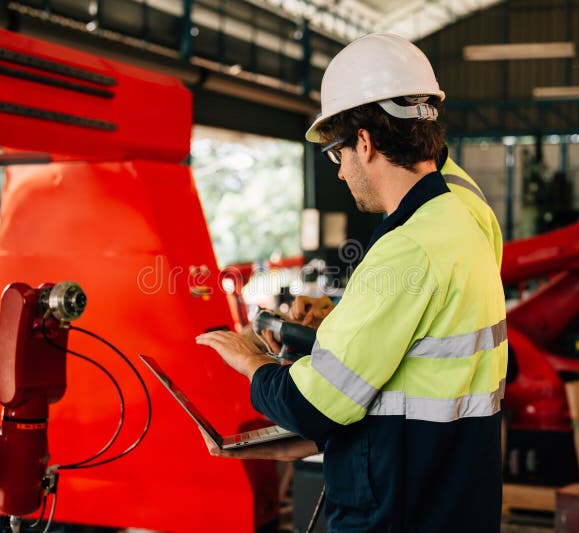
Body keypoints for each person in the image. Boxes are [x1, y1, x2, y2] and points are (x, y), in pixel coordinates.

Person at [196, 32, 507, 532]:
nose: (340, 173)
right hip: (456, 498)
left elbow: (310, 403)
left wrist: (249, 360)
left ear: (364, 142)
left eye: (336, 153)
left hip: (400, 511)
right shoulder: (470, 212)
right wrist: (327, 427)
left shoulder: (406, 248)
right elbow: (421, 365)